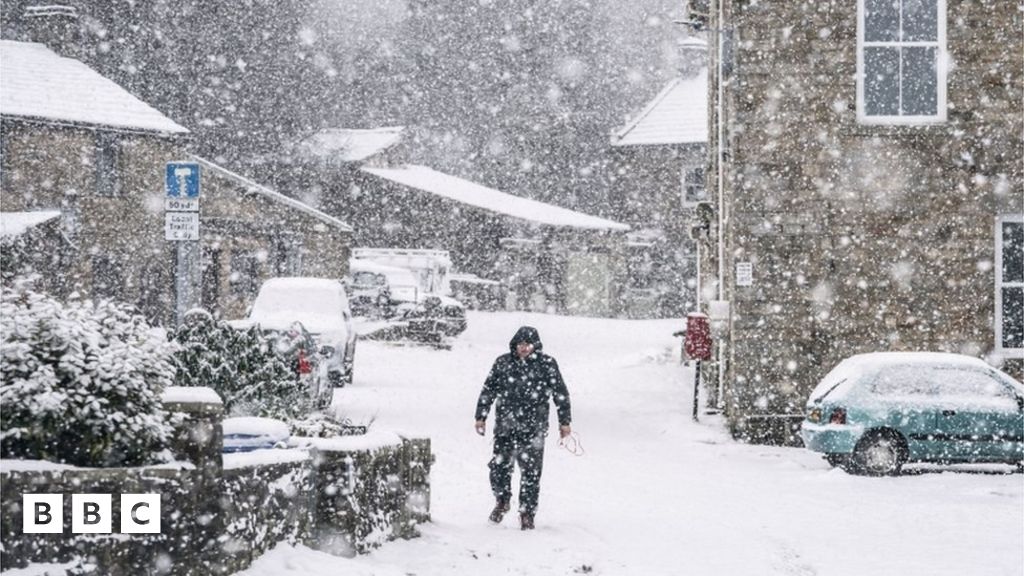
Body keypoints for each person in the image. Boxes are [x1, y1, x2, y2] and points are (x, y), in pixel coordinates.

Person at [474, 326, 572, 530]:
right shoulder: (503, 363)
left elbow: (560, 393)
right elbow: (488, 389)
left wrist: (565, 422)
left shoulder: (546, 364)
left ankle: (527, 512)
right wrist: (481, 416)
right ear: (514, 345)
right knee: (499, 468)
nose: (524, 349)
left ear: (535, 346)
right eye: (520, 345)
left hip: (533, 428)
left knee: (531, 473)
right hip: (505, 427)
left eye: (528, 345)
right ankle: (502, 501)